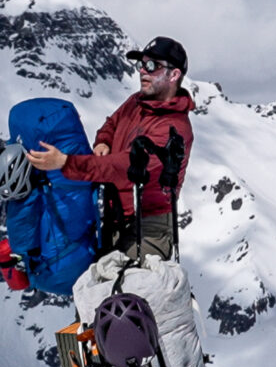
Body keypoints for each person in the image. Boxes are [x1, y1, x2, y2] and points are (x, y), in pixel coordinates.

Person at [26, 36, 193, 259]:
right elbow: (111, 124)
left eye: (152, 65)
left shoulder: (173, 128)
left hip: (149, 228)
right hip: (116, 218)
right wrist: (103, 141)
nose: (143, 71)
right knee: (103, 286)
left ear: (174, 75)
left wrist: (66, 163)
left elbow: (126, 168)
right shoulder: (137, 102)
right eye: (141, 64)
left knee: (131, 289)